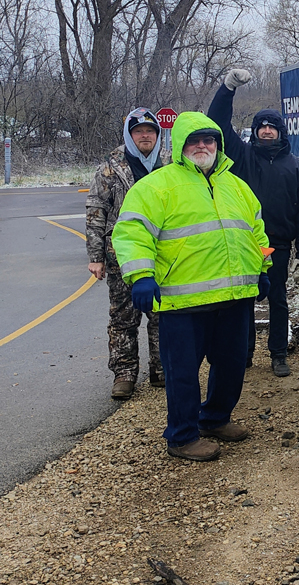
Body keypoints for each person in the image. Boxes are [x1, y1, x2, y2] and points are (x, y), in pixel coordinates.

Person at [112, 112, 271, 462]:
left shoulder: (236, 186)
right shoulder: (157, 185)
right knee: (182, 374)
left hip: (234, 297)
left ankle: (214, 418)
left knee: (231, 367)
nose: (202, 146)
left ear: (219, 144)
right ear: (181, 145)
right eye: (194, 140)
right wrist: (140, 276)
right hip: (183, 302)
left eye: (209, 139)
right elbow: (131, 232)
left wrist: (263, 268)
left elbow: (257, 231)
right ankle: (182, 436)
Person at [208, 69, 299, 378]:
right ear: (254, 132)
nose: (267, 132)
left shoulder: (296, 167)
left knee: (278, 299)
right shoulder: (240, 156)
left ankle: (278, 353)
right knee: (244, 301)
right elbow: (217, 123)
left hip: (278, 245)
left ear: (282, 133)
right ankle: (245, 352)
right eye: (262, 127)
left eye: (272, 128)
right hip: (242, 243)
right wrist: (228, 89)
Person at [86, 107, 170, 400]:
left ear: (157, 135)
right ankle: (124, 374)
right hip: (120, 255)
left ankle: (162, 369)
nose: (145, 136)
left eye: (150, 131)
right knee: (124, 317)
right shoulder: (110, 168)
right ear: (129, 135)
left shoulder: (169, 165)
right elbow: (96, 212)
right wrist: (96, 256)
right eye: (139, 131)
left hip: (163, 253)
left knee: (163, 314)